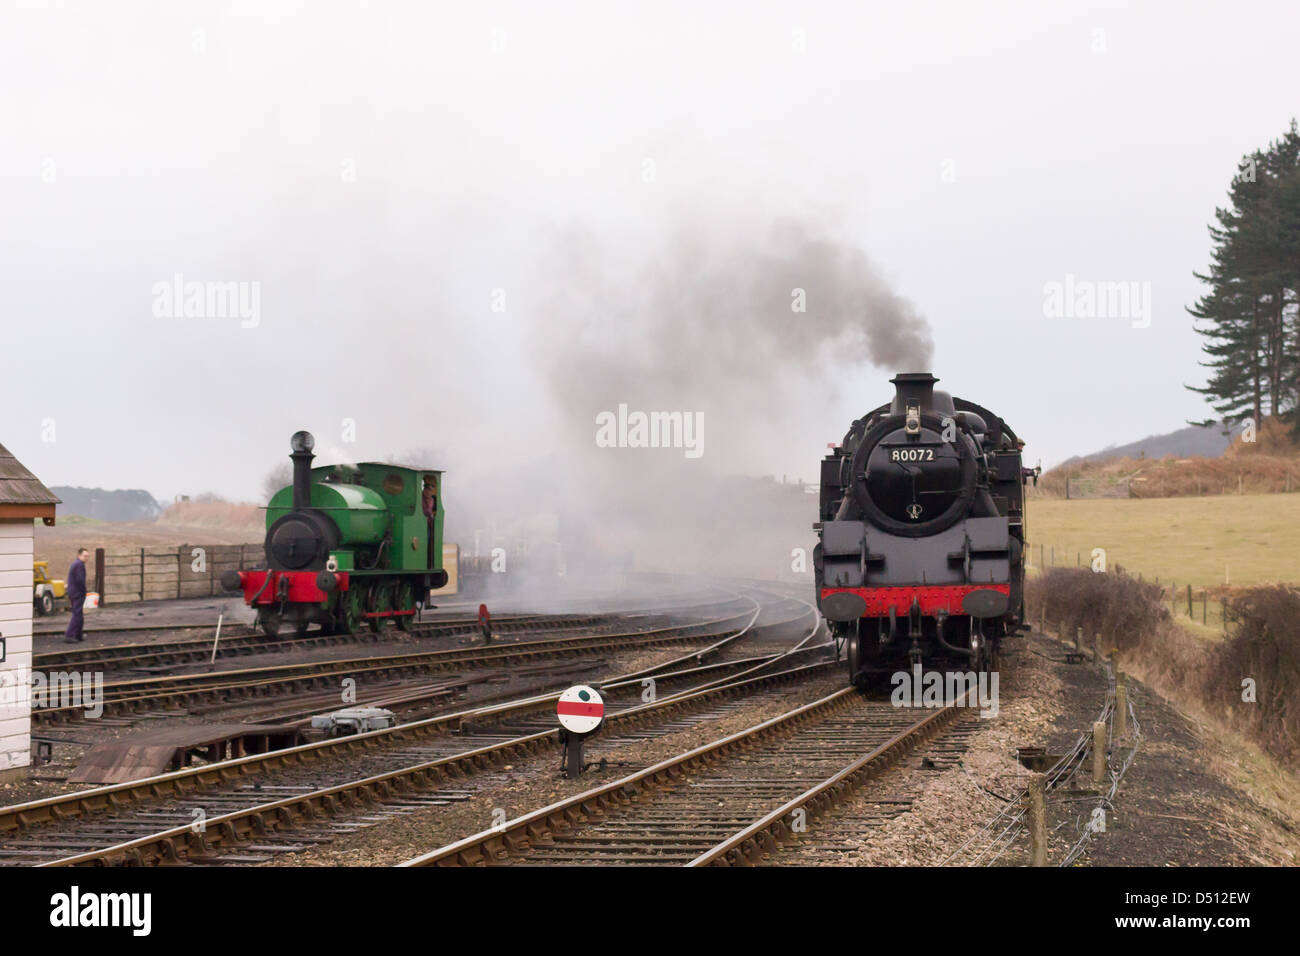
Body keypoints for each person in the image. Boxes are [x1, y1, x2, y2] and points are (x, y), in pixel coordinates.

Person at [64, 548, 89, 644]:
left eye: (87, 556)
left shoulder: (77, 564)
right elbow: (80, 580)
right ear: (79, 556)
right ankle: (69, 635)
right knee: (77, 614)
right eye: (85, 556)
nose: (86, 558)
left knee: (79, 614)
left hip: (74, 592)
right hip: (77, 593)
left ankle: (78, 634)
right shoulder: (79, 565)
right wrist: (84, 591)